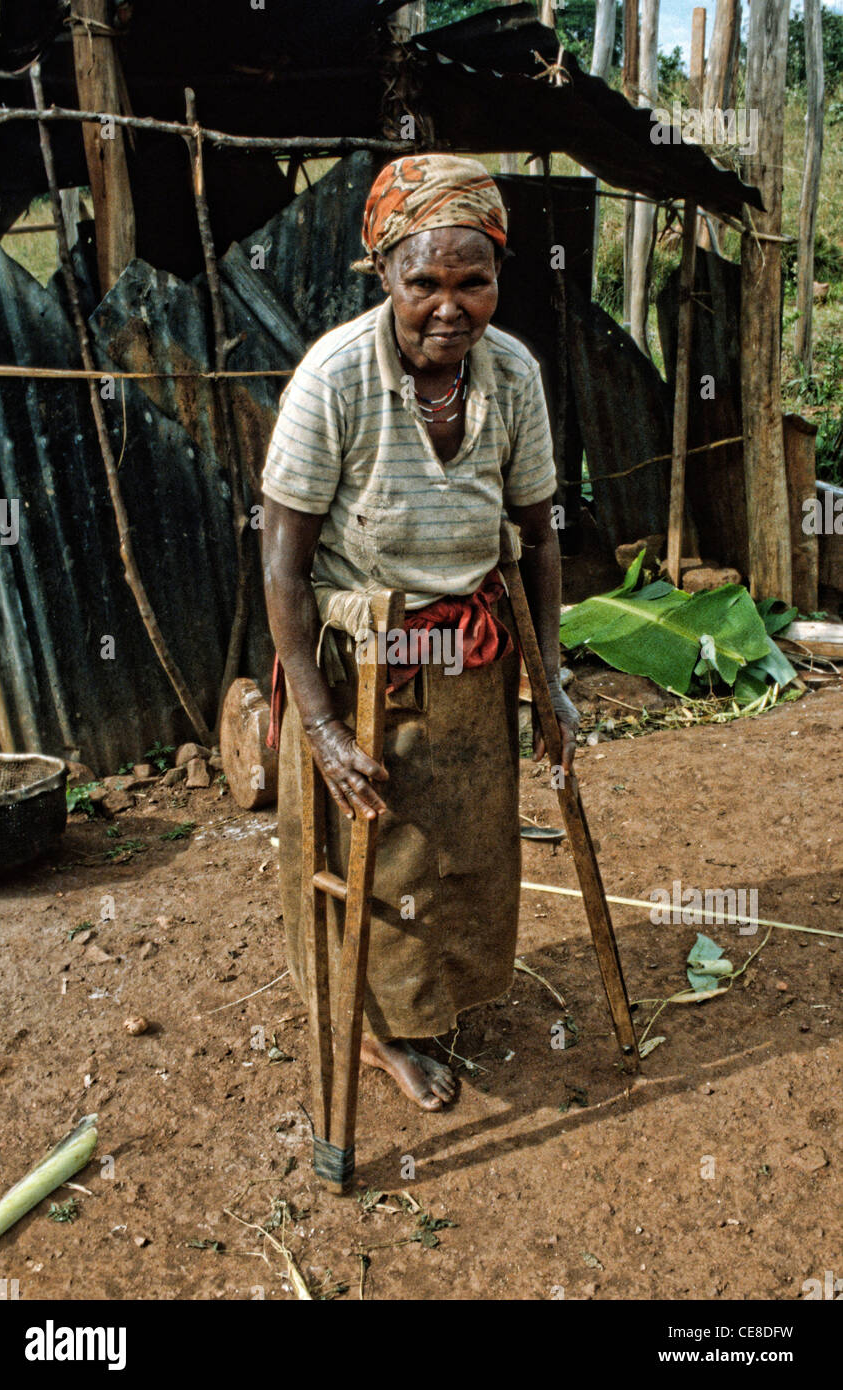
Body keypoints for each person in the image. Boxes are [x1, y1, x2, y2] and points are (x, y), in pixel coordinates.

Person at [262, 154, 579, 1111]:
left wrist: (551, 681)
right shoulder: (335, 378)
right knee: (384, 850)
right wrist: (320, 730)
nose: (450, 306)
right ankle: (377, 1032)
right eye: (425, 283)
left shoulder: (511, 373)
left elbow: (537, 536)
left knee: (470, 842)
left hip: (472, 651)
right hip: (367, 658)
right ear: (385, 275)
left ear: (497, 278)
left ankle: (440, 999)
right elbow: (281, 563)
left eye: (473, 281)